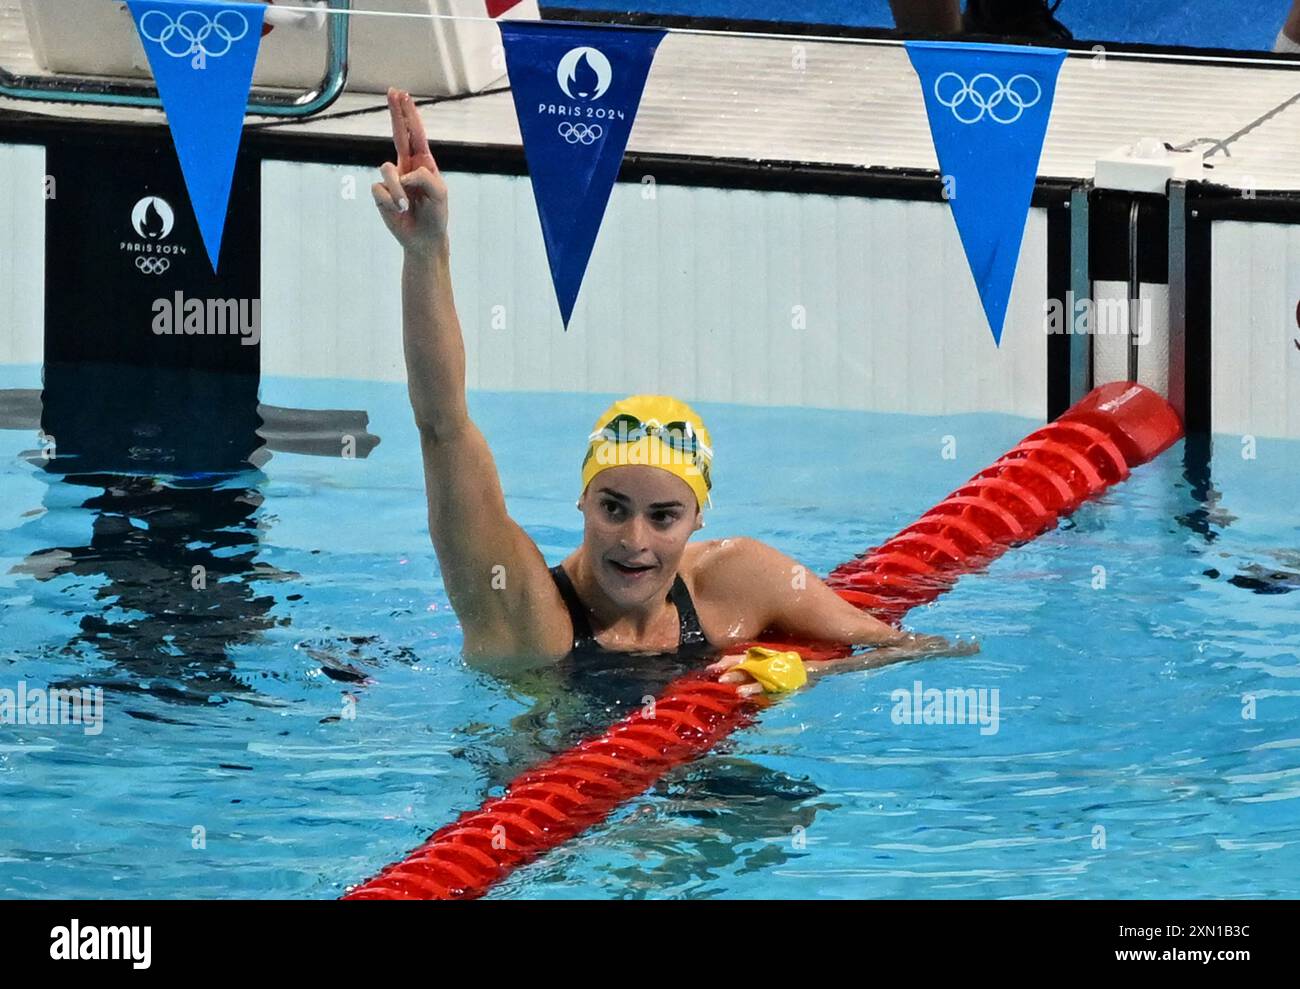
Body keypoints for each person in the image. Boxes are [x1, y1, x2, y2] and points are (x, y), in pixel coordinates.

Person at [371, 88, 978, 698]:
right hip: (550, 779)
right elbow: (442, 424)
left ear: (697, 518)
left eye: (663, 516)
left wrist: (808, 670)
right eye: (614, 507)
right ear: (581, 501)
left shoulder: (737, 584)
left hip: (696, 779)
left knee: (781, 800)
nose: (635, 541)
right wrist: (428, 252)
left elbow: (926, 646)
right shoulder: (529, 613)